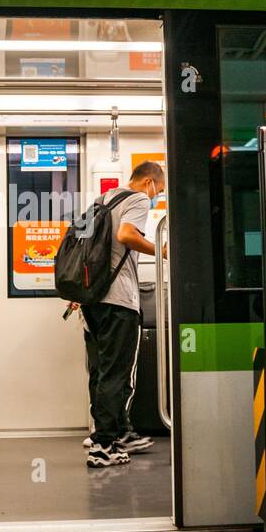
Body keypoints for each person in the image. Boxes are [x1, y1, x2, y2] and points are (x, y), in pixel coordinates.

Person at [82, 160, 165, 468]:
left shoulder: (100, 201)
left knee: (102, 370)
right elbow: (127, 235)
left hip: (93, 298)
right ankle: (103, 445)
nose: (157, 197)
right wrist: (160, 250)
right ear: (149, 182)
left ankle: (108, 436)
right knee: (118, 373)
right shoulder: (139, 198)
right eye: (160, 190)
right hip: (118, 299)